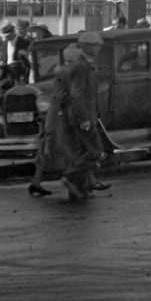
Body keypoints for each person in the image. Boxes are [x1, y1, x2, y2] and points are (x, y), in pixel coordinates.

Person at [33, 32, 109, 201]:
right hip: (78, 116)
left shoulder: (68, 69)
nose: (99, 48)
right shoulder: (79, 68)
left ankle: (80, 187)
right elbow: (77, 95)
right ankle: (72, 179)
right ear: (88, 47)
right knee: (91, 151)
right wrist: (84, 119)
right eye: (96, 45)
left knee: (77, 151)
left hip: (71, 115)